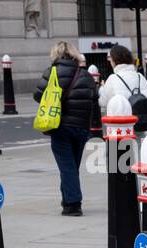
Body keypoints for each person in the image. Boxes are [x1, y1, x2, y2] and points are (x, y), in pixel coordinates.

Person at [33, 40, 98, 216]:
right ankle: (67, 200)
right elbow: (94, 96)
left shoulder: (51, 72)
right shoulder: (84, 75)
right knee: (71, 166)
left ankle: (73, 204)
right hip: (82, 128)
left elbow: (37, 95)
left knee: (67, 166)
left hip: (60, 126)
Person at [97, 43, 147, 118]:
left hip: (123, 125)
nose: (111, 63)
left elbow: (102, 102)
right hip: (141, 122)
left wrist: (102, 88)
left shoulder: (113, 78)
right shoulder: (140, 77)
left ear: (115, 61)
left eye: (111, 60)